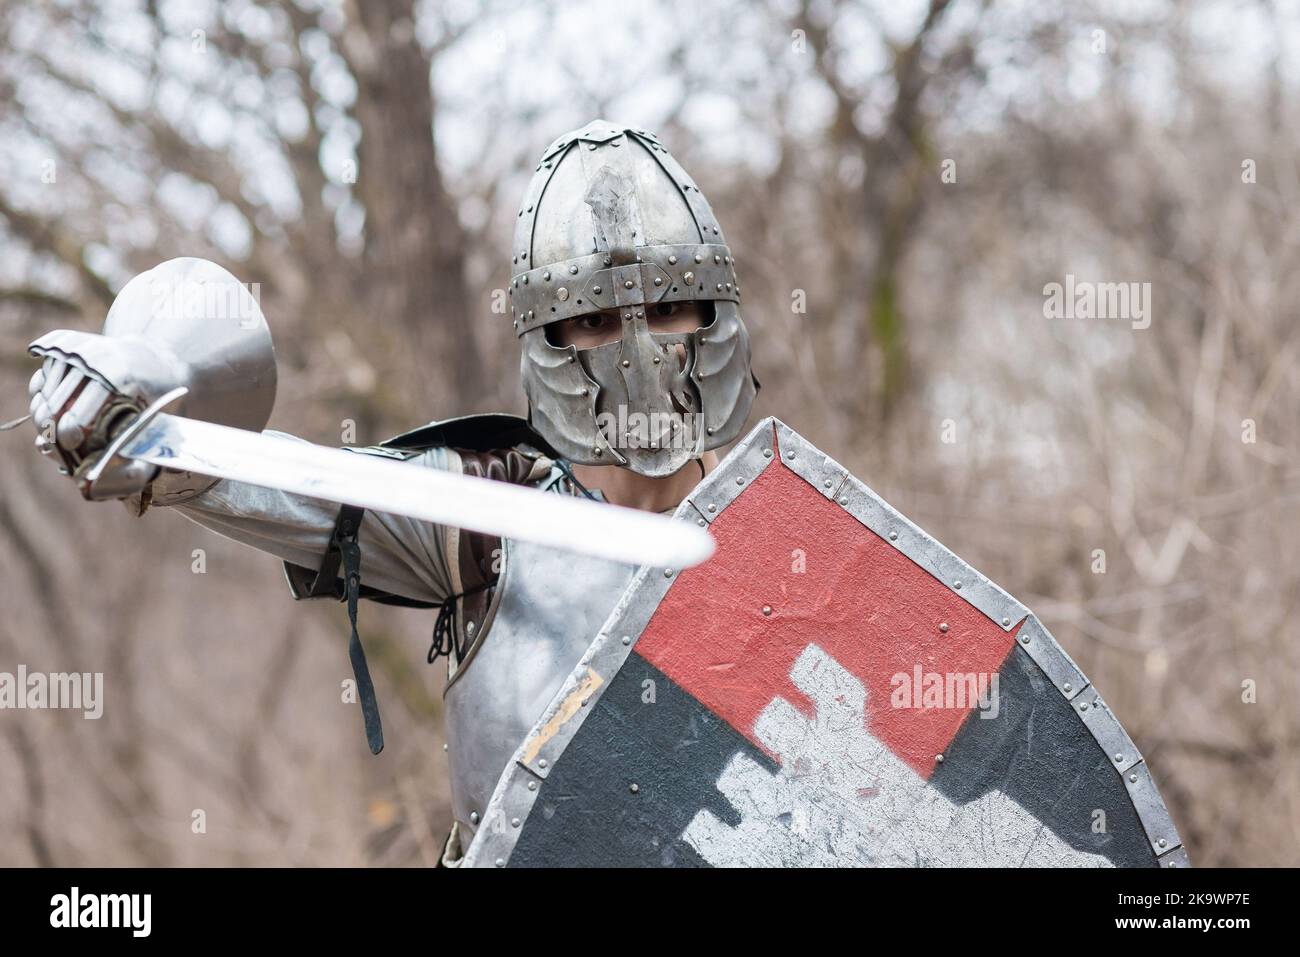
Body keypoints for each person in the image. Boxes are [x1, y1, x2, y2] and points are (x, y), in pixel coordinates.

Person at [24, 119, 759, 864]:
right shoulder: (485, 512)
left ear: (714, 313)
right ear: (550, 340)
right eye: (595, 321)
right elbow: (294, 488)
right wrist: (149, 428)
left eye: (668, 308)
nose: (637, 349)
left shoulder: (787, 528)